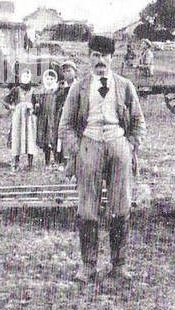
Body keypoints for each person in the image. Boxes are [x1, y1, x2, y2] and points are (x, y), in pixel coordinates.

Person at [58, 34, 147, 283]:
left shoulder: (125, 86)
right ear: (89, 58)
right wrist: (76, 149)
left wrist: (129, 146)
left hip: (119, 146)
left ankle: (119, 265)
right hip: (90, 145)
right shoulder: (79, 87)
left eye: (104, 56)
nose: (100, 61)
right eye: (95, 55)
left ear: (112, 57)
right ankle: (88, 266)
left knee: (121, 206)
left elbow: (139, 122)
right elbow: (65, 125)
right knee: (88, 208)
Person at [4, 68, 36, 171]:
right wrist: (11, 107)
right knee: (17, 138)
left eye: (27, 76)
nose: (25, 79)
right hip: (18, 118)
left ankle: (30, 163)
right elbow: (5, 100)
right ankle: (16, 162)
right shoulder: (16, 90)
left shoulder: (33, 91)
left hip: (29, 119)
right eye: (23, 76)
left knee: (29, 139)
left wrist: (34, 108)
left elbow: (37, 104)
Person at [33, 67, 61, 168]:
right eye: (48, 79)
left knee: (53, 139)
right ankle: (47, 162)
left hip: (53, 119)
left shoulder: (57, 92)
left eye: (52, 79)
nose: (49, 81)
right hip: (43, 119)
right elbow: (36, 107)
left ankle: (57, 161)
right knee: (45, 141)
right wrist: (36, 107)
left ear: (55, 80)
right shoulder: (41, 92)